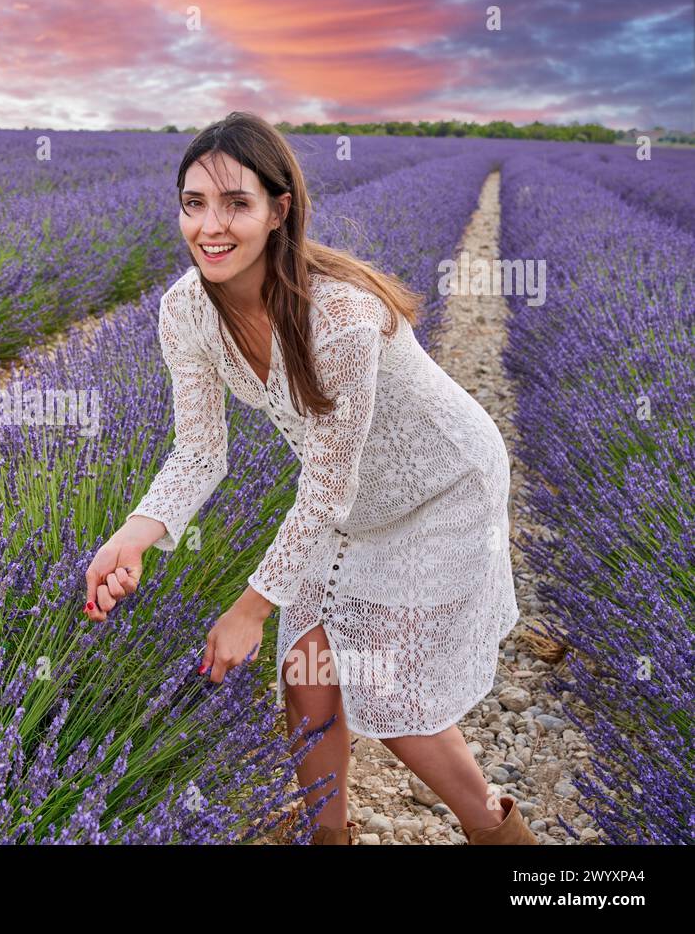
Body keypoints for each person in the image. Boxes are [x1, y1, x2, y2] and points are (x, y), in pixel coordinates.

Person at [82, 111, 535, 846]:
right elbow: (199, 453)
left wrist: (249, 609)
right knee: (307, 670)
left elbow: (325, 489)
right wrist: (134, 536)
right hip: (354, 503)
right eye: (194, 204)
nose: (210, 226)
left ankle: (505, 842)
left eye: (236, 203)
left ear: (277, 211)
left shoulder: (342, 318)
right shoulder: (185, 312)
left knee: (391, 696)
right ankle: (331, 839)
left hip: (443, 488)